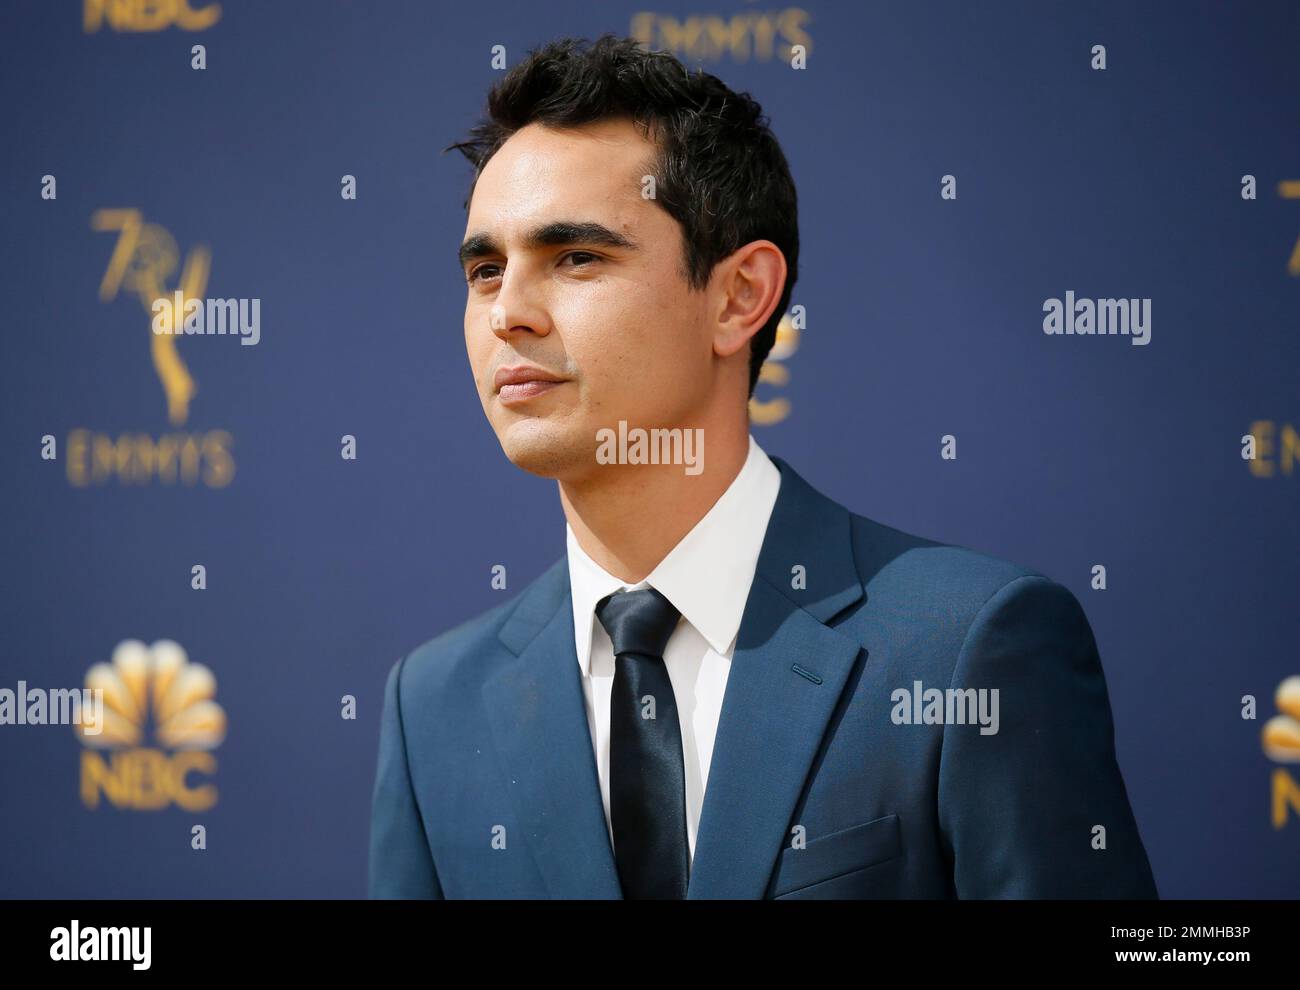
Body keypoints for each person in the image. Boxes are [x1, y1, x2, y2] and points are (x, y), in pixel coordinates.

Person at [368, 34, 1157, 899]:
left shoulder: (965, 646)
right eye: (485, 270)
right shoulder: (433, 706)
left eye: (576, 257)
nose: (508, 312)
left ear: (739, 295)